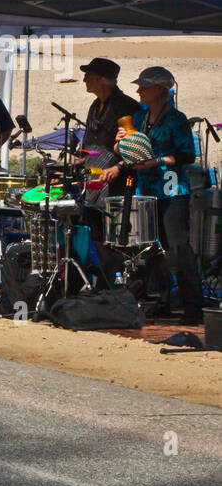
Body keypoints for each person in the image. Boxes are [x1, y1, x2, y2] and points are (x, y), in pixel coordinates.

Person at [102, 67, 204, 325]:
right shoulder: (138, 117)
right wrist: (118, 143)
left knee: (178, 247)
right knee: (148, 248)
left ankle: (193, 308)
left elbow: (186, 155)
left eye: (144, 87)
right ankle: (161, 300)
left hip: (172, 191)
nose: (138, 91)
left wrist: (156, 161)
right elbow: (126, 153)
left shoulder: (176, 119)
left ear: (160, 90)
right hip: (146, 192)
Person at [78, 58, 141, 240]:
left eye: (88, 76)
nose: (84, 80)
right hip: (94, 179)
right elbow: (91, 141)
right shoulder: (95, 106)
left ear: (100, 79)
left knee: (116, 235)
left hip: (117, 184)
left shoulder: (126, 107)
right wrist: (82, 157)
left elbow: (135, 149)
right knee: (96, 234)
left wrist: (118, 167)